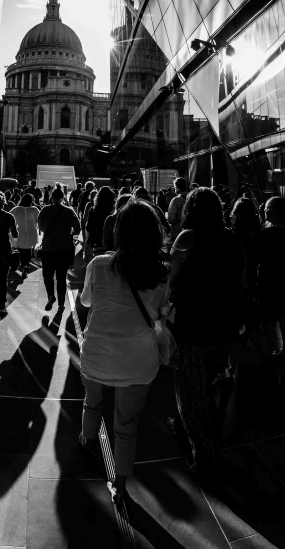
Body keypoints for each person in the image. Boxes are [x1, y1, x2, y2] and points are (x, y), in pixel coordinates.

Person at [78, 199, 170, 504]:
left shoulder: (99, 265)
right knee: (126, 425)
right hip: (138, 363)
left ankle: (88, 443)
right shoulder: (160, 275)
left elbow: (86, 303)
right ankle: (120, 485)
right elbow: (161, 315)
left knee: (93, 404)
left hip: (97, 354)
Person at [169, 188, 246, 473]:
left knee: (190, 392)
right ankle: (192, 424)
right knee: (214, 380)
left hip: (193, 326)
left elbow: (171, 278)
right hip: (224, 326)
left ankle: (205, 455)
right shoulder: (232, 239)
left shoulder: (187, 238)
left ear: (191, 209)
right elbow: (242, 284)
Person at [257, 196, 285, 357]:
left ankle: (270, 351)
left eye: (267, 209)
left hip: (270, 280)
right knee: (284, 316)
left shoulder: (267, 234)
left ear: (274, 212)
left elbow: (260, 256)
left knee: (269, 320)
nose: (264, 211)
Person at [38, 187, 80, 310]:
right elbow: (77, 229)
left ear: (52, 197)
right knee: (61, 277)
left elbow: (40, 227)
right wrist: (68, 233)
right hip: (65, 248)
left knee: (47, 275)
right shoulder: (69, 211)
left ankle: (51, 295)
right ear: (63, 198)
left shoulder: (45, 210)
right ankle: (61, 304)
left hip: (48, 248)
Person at [10, 193, 40, 278]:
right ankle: (26, 265)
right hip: (31, 232)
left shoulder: (16, 209)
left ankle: (22, 264)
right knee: (28, 250)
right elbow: (39, 220)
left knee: (20, 250)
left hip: (20, 232)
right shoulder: (34, 209)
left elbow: (9, 217)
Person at [85, 187, 115, 259]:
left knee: (99, 264)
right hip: (112, 243)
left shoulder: (93, 210)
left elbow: (89, 227)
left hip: (97, 241)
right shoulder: (114, 210)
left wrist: (88, 241)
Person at [167, 177, 189, 242]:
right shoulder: (192, 197)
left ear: (178, 188)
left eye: (175, 188)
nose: (175, 190)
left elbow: (171, 219)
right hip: (190, 233)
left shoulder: (176, 200)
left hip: (177, 234)